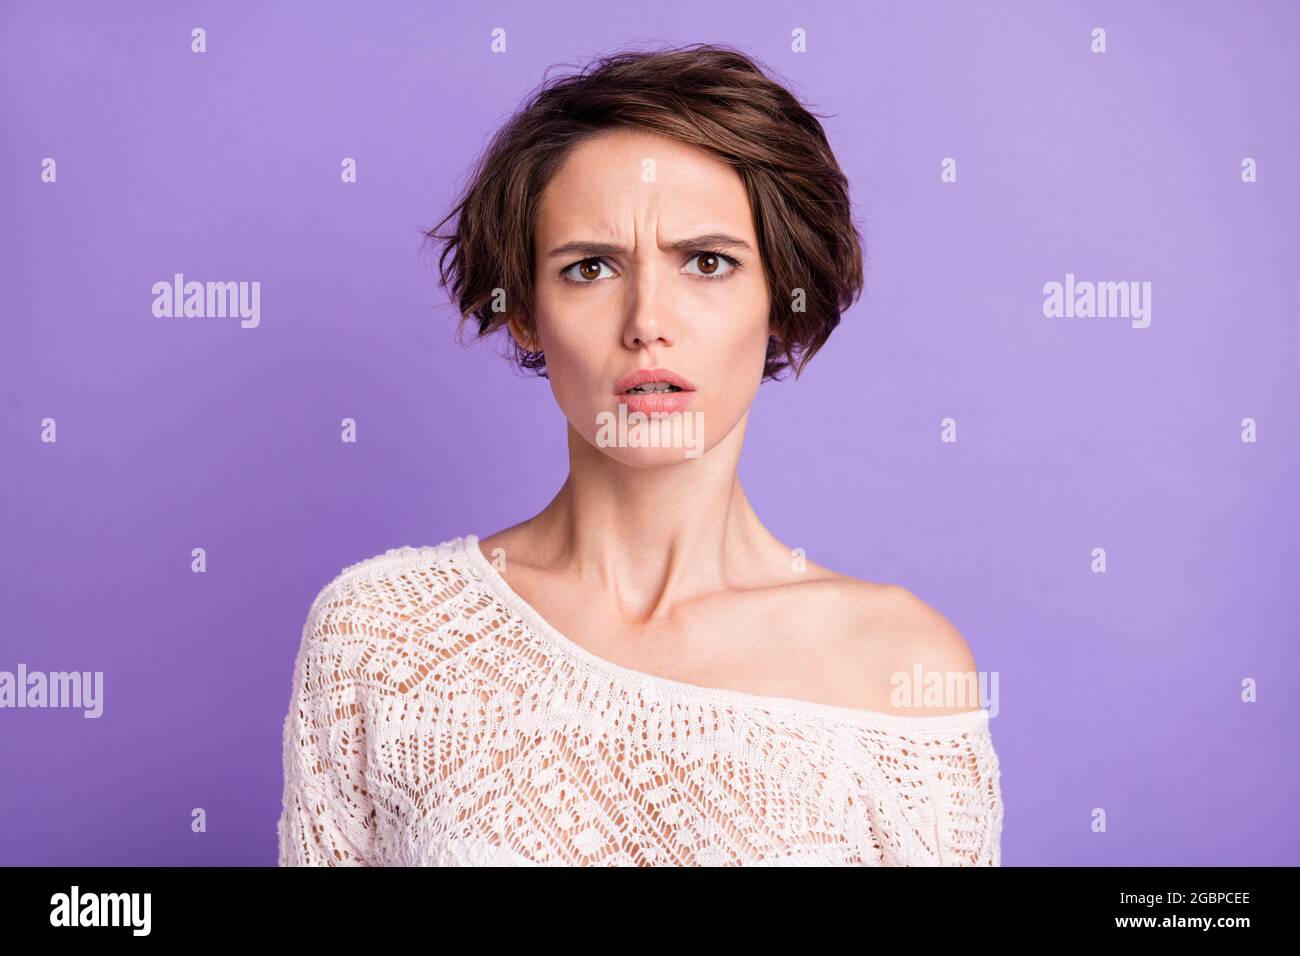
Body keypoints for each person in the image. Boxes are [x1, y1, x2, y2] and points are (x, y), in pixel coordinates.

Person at [277, 43, 1003, 867]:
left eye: (707, 263)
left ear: (781, 300)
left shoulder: (899, 667)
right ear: (523, 314)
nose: (646, 320)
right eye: (590, 268)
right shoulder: (382, 636)